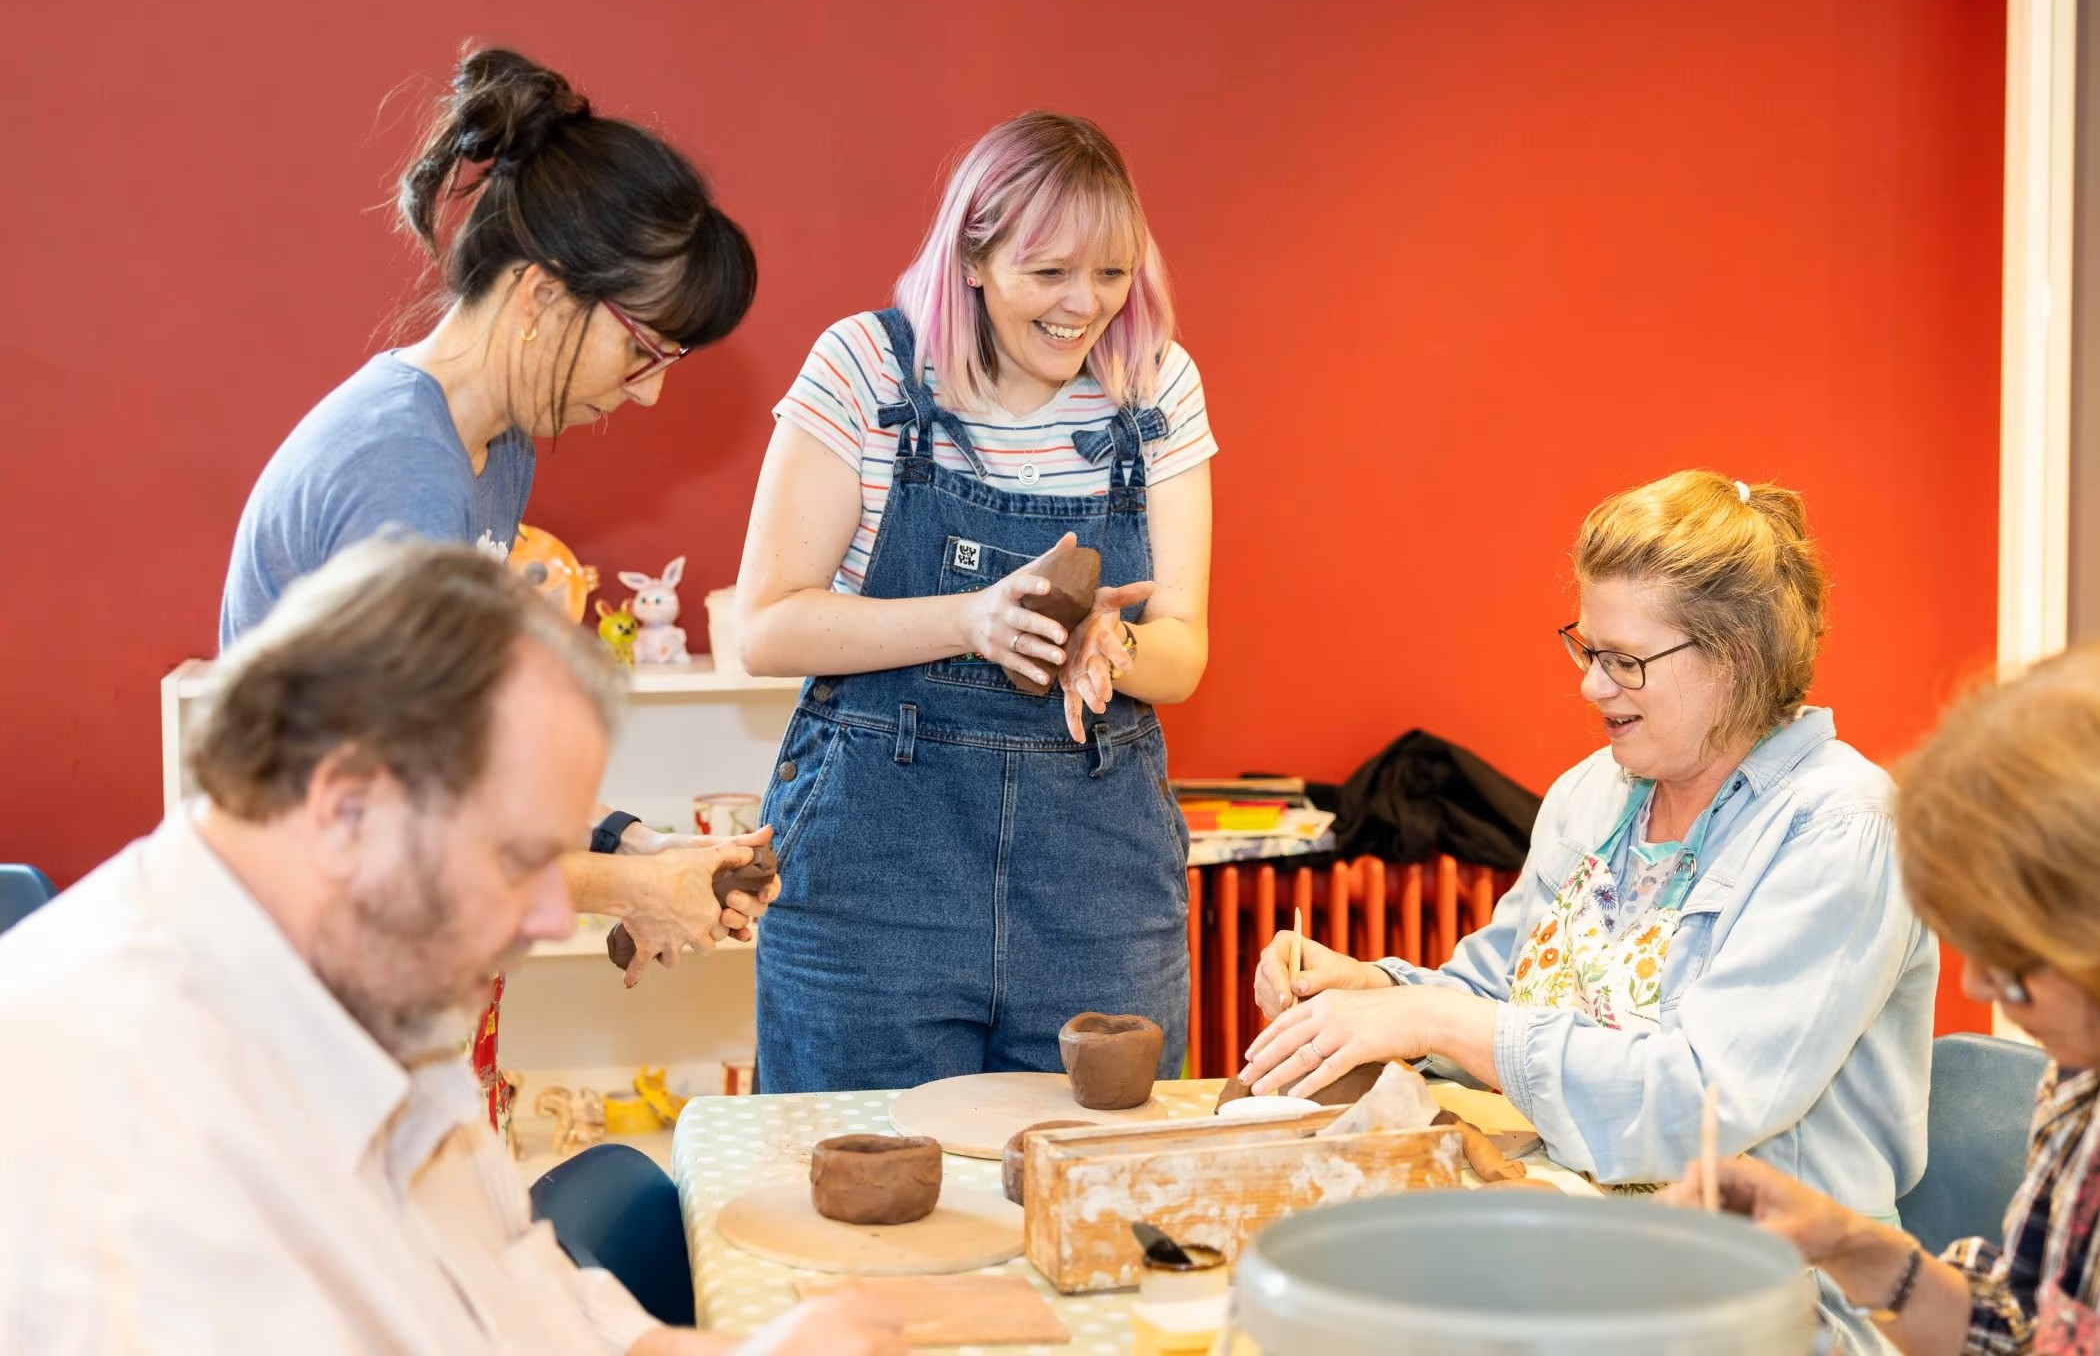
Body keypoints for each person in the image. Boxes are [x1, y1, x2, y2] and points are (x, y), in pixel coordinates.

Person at [0, 541, 900, 1355]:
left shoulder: (366, 980)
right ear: (348, 808)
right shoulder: (111, 1125)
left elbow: (509, 1287)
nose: (556, 917)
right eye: (520, 858)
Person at [1240, 470, 1937, 1351]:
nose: (1591, 688)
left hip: (1777, 1295)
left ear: (1738, 659)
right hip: (1600, 1241)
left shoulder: (1842, 831)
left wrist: (1439, 1019)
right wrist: (1382, 993)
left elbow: (1697, 1103)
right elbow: (1491, 992)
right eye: (1586, 649)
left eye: (1626, 661)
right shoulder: (1598, 796)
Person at [214, 48, 769, 1125]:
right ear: (539, 297)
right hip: (319, 989)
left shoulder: (489, 447)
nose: (648, 397)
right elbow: (406, 817)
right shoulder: (399, 468)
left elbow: (463, 751)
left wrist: (630, 844)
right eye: (644, 349)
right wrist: (626, 887)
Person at [734, 111, 1216, 1090]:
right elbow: (767, 625)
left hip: (1094, 890)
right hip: (875, 888)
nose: (1086, 306)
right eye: (1051, 273)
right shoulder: (865, 369)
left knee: (1098, 1199)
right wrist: (969, 619)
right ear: (974, 259)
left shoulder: (1155, 384)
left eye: (1113, 272)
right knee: (858, 1204)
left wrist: (1111, 646)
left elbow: (1185, 649)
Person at [1667, 646, 2100, 1354]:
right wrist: (1842, 1241)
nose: (1978, 988)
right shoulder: (2080, 1081)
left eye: (2017, 960)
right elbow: (2022, 1328)